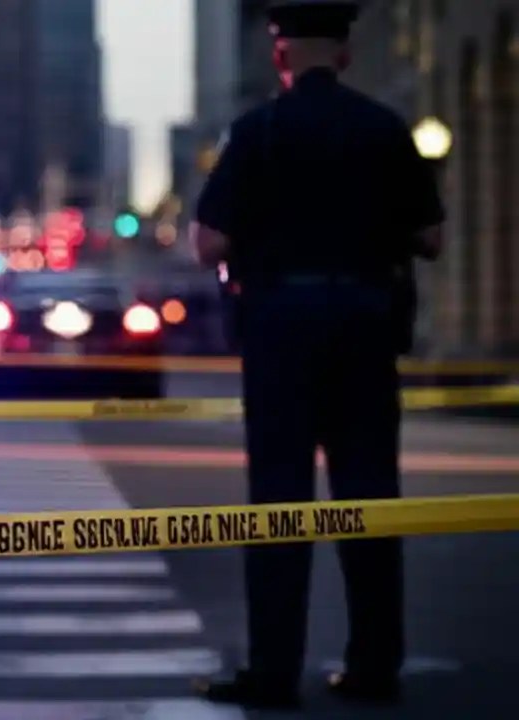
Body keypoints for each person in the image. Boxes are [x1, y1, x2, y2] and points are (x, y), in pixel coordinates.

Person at [187, 0, 445, 710]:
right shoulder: (384, 129)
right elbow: (431, 237)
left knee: (278, 502)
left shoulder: (259, 131)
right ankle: (373, 667)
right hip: (366, 328)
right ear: (345, 53)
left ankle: (273, 673)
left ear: (280, 55)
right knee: (370, 499)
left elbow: (208, 242)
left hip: (280, 333)